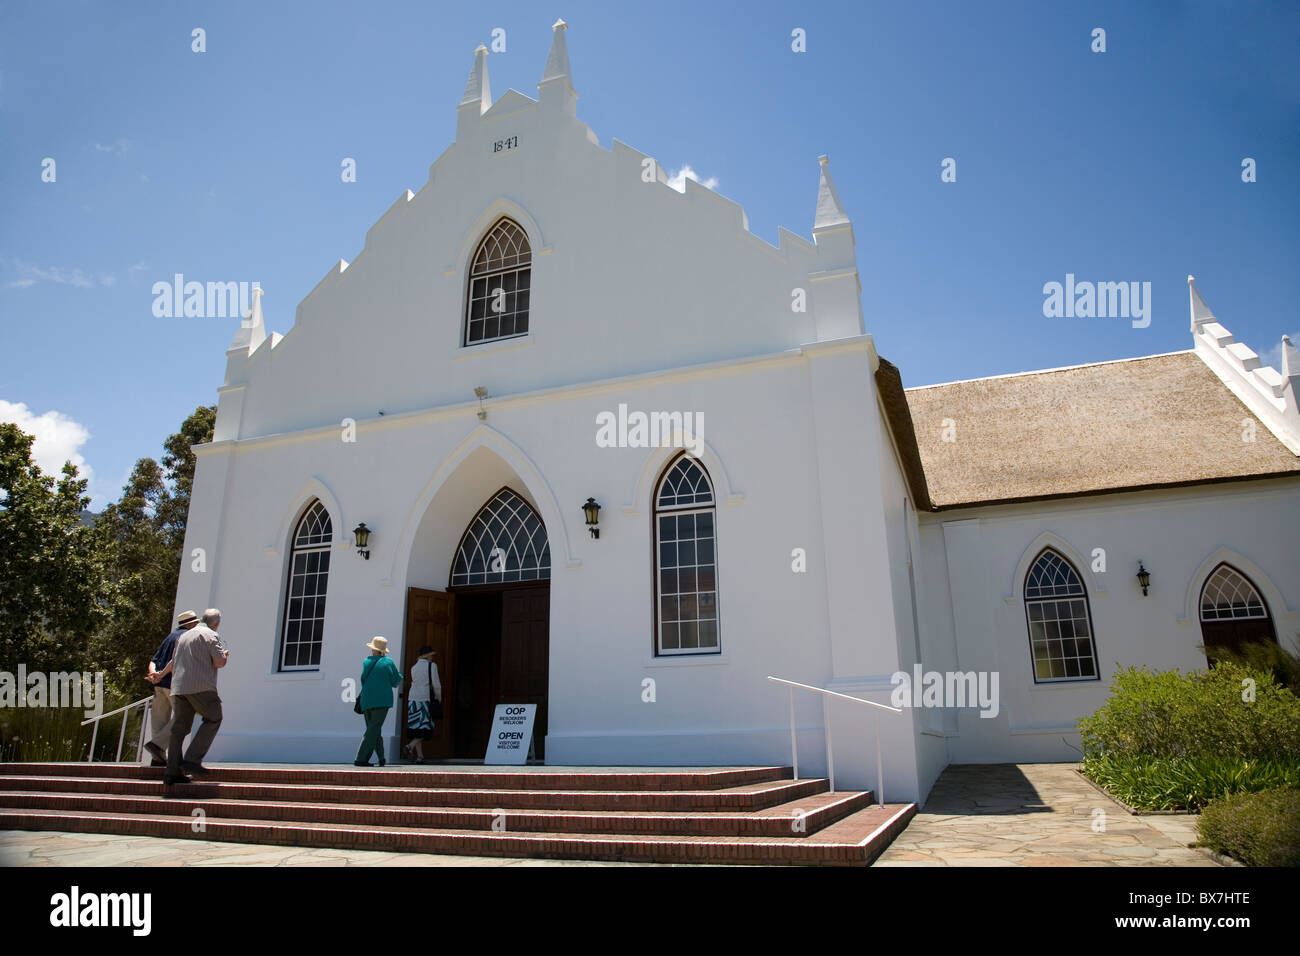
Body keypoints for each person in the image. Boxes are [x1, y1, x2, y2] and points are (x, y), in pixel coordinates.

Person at [164, 608, 229, 786]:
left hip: (179, 687)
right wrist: (225, 656)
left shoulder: (184, 636)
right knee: (214, 718)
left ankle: (172, 772)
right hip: (201, 686)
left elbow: (174, 661)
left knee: (178, 729)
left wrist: (161, 675)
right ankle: (192, 759)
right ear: (216, 623)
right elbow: (219, 662)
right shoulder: (210, 635)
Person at [143, 610, 199, 766]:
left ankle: (157, 759)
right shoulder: (185, 637)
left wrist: (153, 674)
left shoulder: (169, 638)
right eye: (195, 623)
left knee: (160, 720)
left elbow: (154, 660)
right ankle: (158, 745)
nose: (196, 625)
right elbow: (175, 661)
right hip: (173, 684)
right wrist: (161, 675)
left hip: (158, 686)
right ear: (189, 624)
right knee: (184, 716)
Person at [355, 636, 402, 767]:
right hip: (382, 700)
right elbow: (395, 682)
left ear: (373, 649)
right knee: (373, 729)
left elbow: (363, 680)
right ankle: (360, 758)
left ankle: (381, 758)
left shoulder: (366, 661)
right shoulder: (388, 662)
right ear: (383, 650)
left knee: (374, 729)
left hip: (366, 699)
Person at [402, 645, 441, 763]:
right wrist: (438, 698)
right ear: (428, 656)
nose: (432, 658)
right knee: (426, 727)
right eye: (431, 655)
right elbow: (436, 684)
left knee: (417, 728)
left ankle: (420, 756)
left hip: (413, 699)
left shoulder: (414, 667)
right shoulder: (432, 666)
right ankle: (410, 746)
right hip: (425, 698)